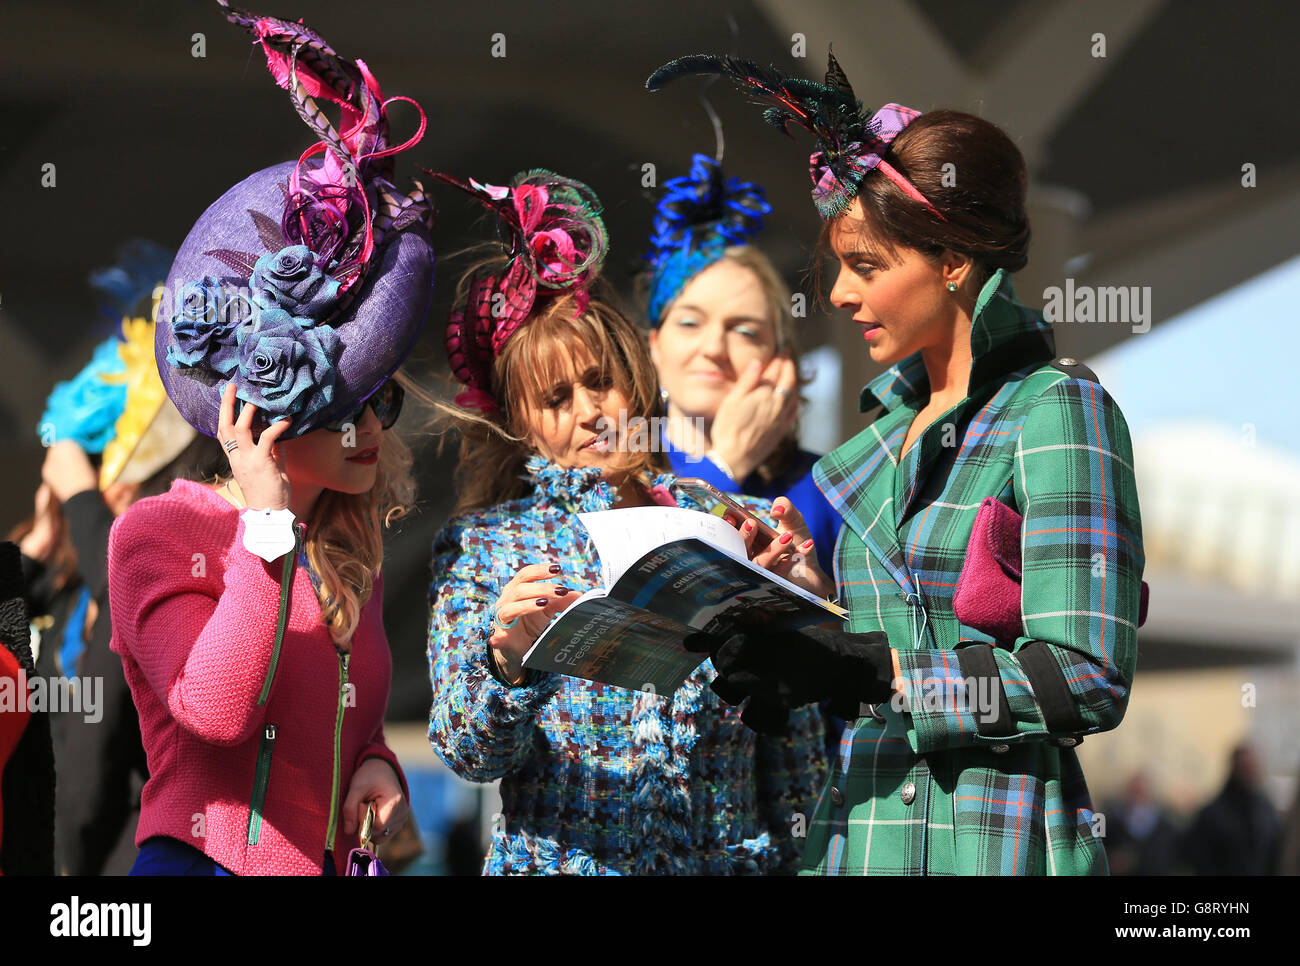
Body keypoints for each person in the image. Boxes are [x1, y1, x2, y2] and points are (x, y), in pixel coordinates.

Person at [650, 50, 1145, 875]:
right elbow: (890, 646)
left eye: (866, 266)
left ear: (953, 262)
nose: (839, 295)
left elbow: (1085, 678)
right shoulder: (876, 443)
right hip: (858, 842)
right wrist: (805, 614)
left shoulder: (1056, 410)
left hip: (996, 848)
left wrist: (876, 672)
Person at [425, 168, 826, 875]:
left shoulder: (737, 523)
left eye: (599, 381)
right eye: (555, 397)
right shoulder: (481, 547)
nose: (587, 410)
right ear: (519, 420)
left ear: (633, 379)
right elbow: (466, 752)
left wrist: (797, 622)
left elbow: (794, 763)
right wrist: (507, 664)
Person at [108, 3, 432, 875]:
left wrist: (376, 760)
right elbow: (212, 710)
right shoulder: (158, 534)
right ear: (263, 416)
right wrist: (262, 524)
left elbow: (343, 723)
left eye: (380, 403)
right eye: (342, 406)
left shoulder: (339, 543)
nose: (369, 427)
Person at [644, 154, 839, 577]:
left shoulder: (829, 486)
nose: (714, 347)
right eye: (690, 322)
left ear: (780, 357)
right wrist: (724, 466)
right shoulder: (618, 466)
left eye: (745, 331)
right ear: (655, 345)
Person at [1183, 744, 1281, 875]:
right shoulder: (1212, 813)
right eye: (1245, 767)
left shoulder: (1266, 810)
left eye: (1252, 767)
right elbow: (1198, 858)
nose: (1250, 772)